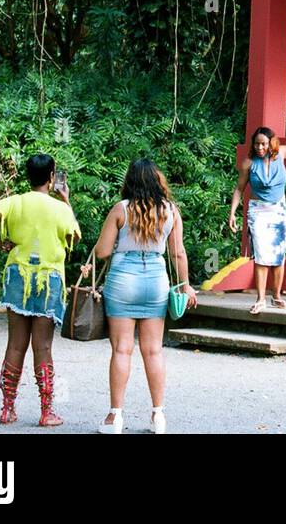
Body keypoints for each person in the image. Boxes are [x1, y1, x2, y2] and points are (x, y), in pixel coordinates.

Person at [84, 158, 196, 435]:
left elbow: (102, 252)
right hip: (156, 281)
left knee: (122, 349)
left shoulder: (121, 209)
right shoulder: (171, 211)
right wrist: (185, 285)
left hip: (122, 280)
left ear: (130, 181)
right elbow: (177, 252)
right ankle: (158, 416)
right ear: (158, 181)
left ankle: (115, 418)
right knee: (154, 350)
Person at [0, 153, 80, 427]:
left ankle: (7, 409)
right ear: (52, 177)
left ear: (28, 176)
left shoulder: (15, 202)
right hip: (48, 280)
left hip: (18, 276)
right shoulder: (60, 208)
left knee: (15, 345)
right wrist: (66, 200)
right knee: (42, 346)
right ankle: (46, 412)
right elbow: (73, 237)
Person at [229, 118, 286, 315]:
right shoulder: (249, 162)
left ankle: (277, 295)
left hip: (278, 210)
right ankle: (261, 298)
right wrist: (232, 213)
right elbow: (239, 189)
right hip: (258, 210)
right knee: (262, 256)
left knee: (278, 256)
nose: (260, 147)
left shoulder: (281, 154)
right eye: (257, 144)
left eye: (263, 143)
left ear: (271, 143)